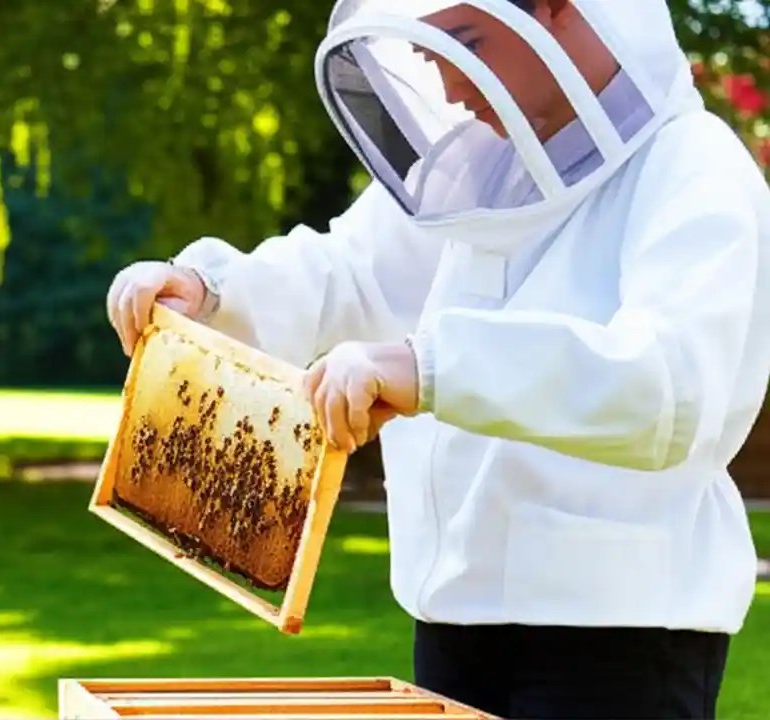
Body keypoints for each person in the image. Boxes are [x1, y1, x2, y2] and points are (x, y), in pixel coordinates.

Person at [105, 0, 770, 717]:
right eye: (432, 52)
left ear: (560, 9)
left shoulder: (692, 166)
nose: (452, 85)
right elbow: (351, 271)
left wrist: (431, 369)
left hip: (624, 640)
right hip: (453, 621)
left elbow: (665, 385)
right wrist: (209, 289)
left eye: (467, 40)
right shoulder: (481, 163)